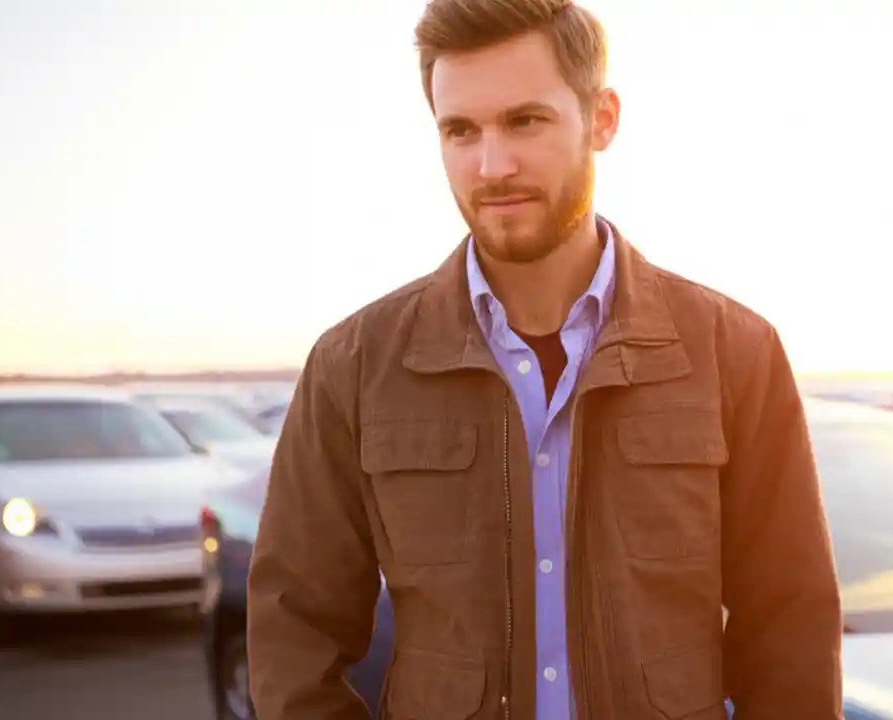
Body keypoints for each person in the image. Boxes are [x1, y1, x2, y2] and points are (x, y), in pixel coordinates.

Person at [246, 0, 844, 717]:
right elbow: (294, 636)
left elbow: (791, 630)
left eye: (524, 120)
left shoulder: (733, 352)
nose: (492, 165)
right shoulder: (354, 365)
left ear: (602, 119)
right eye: (461, 131)